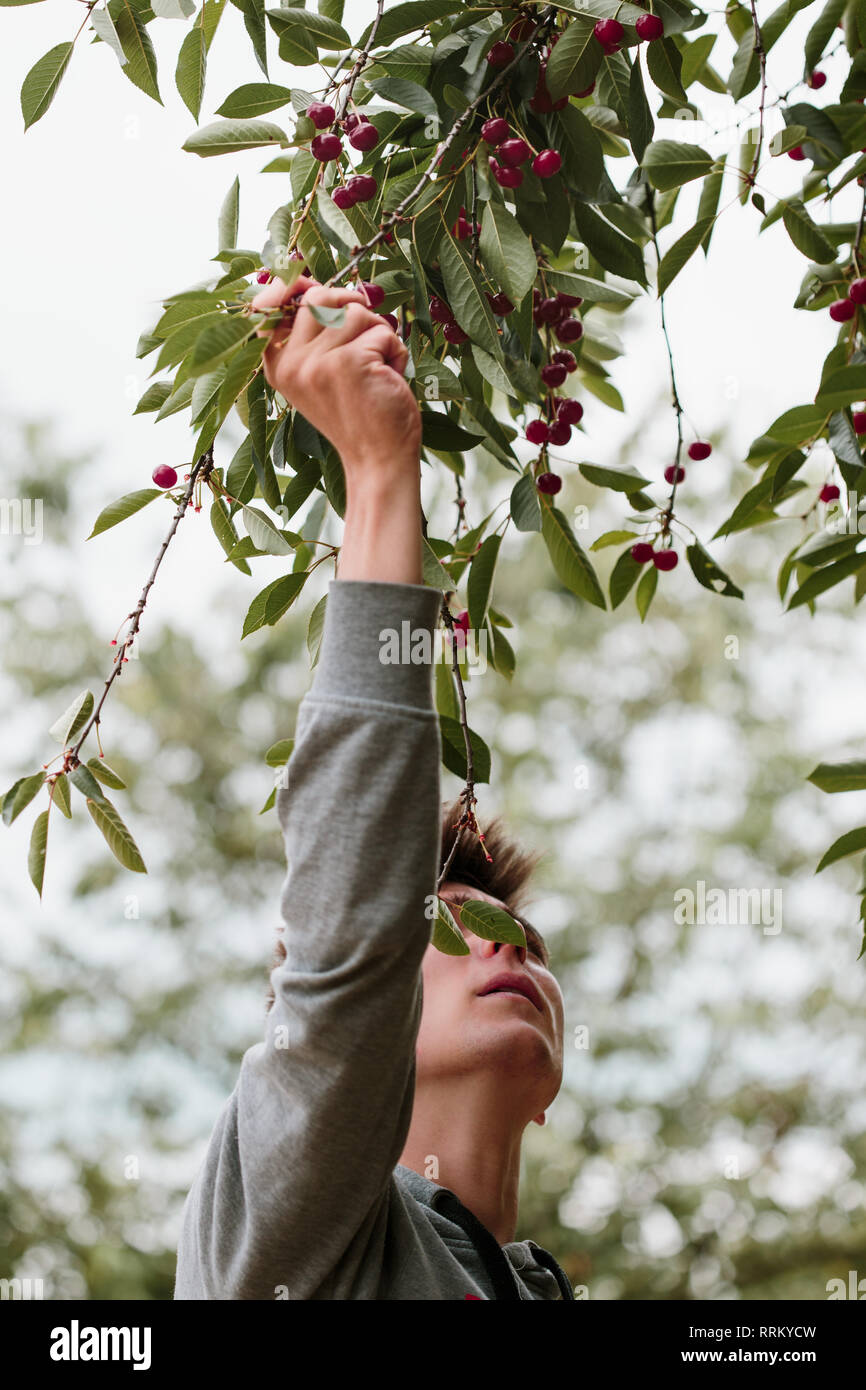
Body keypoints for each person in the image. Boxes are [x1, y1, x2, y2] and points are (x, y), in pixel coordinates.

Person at [173, 273, 572, 1301]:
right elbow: (352, 931)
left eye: (521, 942)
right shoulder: (286, 1229)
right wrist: (378, 471)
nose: (508, 946)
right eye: (451, 930)